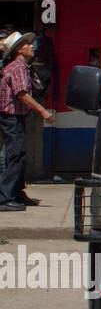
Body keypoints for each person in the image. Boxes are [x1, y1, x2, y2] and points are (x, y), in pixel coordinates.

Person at [0, 31, 55, 211]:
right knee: (16, 155)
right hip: (11, 118)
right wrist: (42, 111)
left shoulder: (21, 67)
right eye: (27, 44)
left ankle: (16, 193)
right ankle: (4, 197)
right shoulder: (17, 68)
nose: (32, 47)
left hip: (15, 117)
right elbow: (21, 94)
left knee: (19, 155)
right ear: (19, 50)